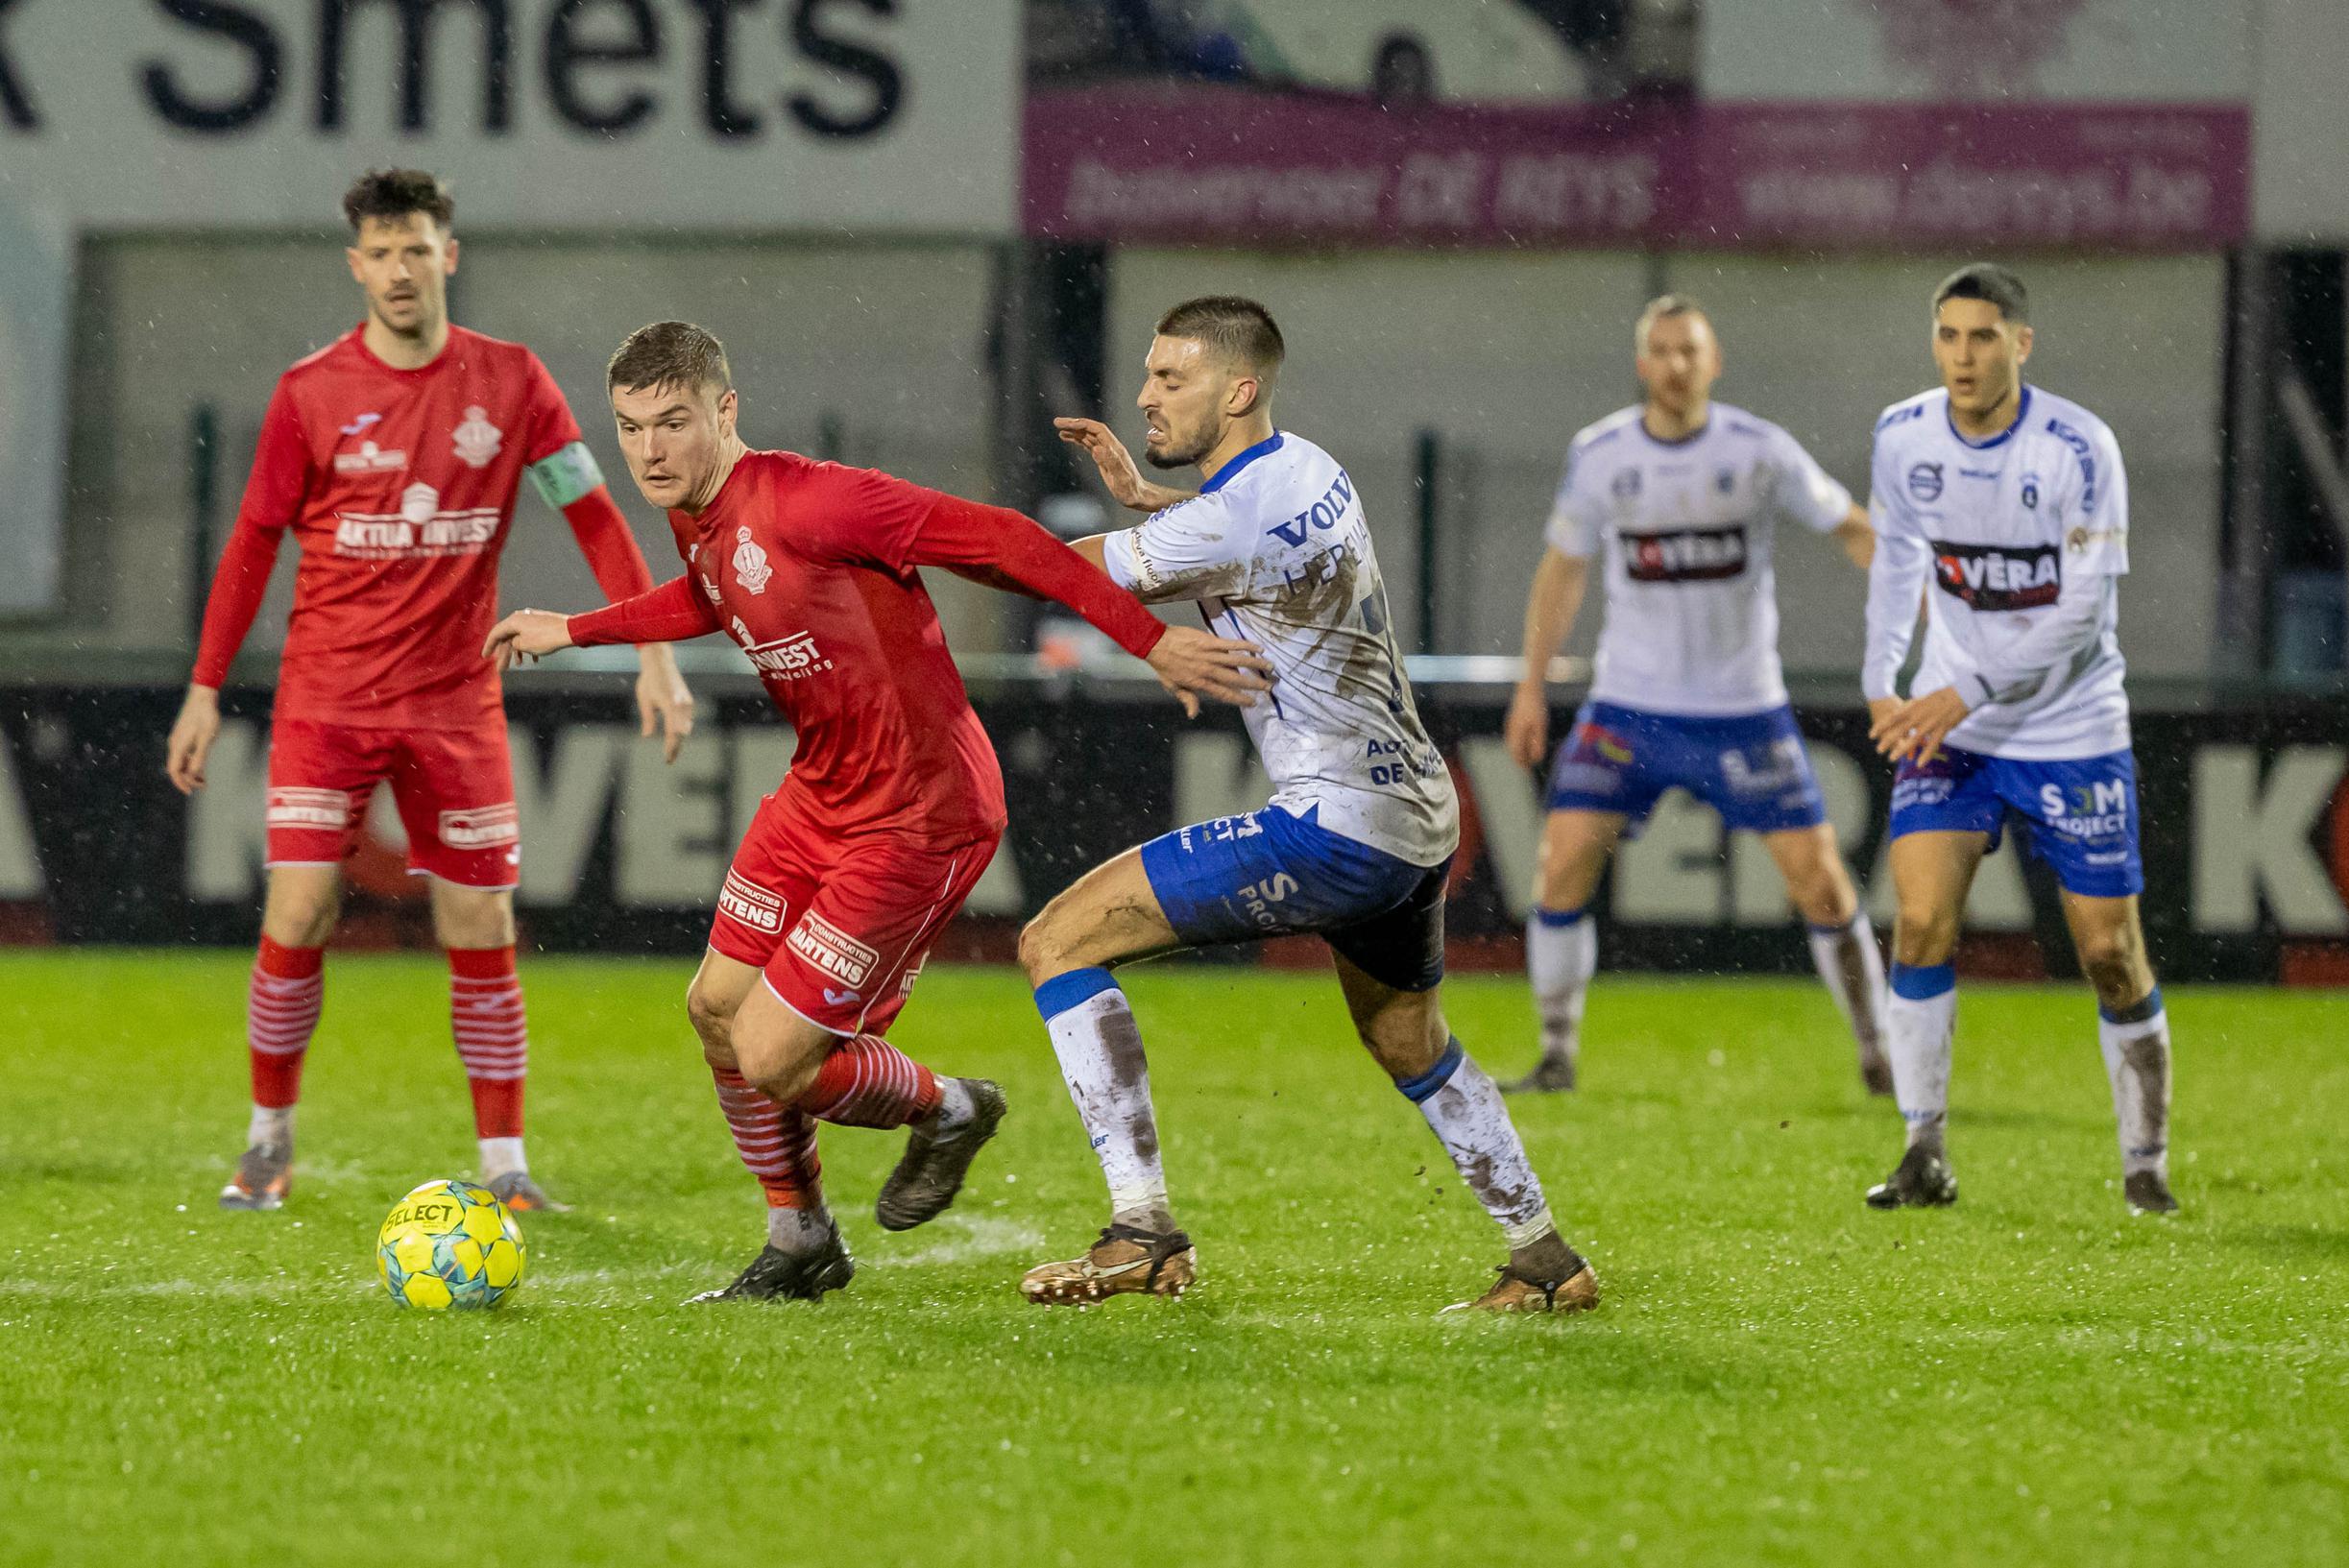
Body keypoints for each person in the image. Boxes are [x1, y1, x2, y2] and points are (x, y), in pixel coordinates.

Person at [484, 321, 1271, 1302]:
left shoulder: (819, 499)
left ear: (726, 410)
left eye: (673, 422)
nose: (649, 450)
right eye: (631, 427)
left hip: (918, 810)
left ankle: (949, 1108)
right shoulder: (696, 510)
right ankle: (801, 1239)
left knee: (775, 1056)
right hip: (821, 790)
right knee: (715, 1010)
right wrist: (576, 628)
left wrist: (1147, 640)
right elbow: (715, 593)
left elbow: (1007, 541)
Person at [1022, 296, 1597, 1315]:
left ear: (1237, 389)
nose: (1146, 395)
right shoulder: (1309, 466)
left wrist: (912, 539)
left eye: (1172, 378)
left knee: (1055, 942)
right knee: (1409, 1041)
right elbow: (1234, 525)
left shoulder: (1227, 520)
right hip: (1417, 813)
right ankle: (1545, 1259)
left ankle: (1141, 1231)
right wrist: (1152, 498)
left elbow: (1051, 570)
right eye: (1149, 373)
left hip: (1335, 828)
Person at [165, 169, 695, 1215]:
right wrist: (203, 687)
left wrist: (654, 649)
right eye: (381, 252)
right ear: (356, 266)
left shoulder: (512, 381)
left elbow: (592, 513)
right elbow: (253, 542)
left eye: (416, 247)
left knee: (482, 923)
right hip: (329, 698)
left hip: (456, 701)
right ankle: (267, 1143)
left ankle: (505, 1167)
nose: (400, 269)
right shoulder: (311, 391)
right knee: (301, 910)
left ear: (448, 255)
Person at [1503, 296, 1890, 1096]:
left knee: (1821, 881)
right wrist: (1531, 687)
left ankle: (1883, 1051)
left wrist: (1916, 583)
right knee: (1561, 863)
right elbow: (1563, 569)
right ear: (1643, 364)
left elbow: (1849, 526)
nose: (1677, 365)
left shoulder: (1759, 450)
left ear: (1714, 362)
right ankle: (1555, 1053)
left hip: (1741, 709)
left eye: (1691, 351)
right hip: (1628, 707)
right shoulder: (1601, 453)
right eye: (1663, 351)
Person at [1862, 263, 2176, 1215]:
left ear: (2021, 344)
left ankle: (2145, 1165)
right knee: (1920, 920)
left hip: (2067, 723)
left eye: (1983, 336)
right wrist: (1881, 680)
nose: (1963, 356)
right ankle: (1922, 1151)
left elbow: (2082, 611)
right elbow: (1897, 560)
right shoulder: (1902, 434)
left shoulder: (2078, 446)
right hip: (1949, 726)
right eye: (1948, 335)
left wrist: (1964, 690)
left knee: (2108, 950)